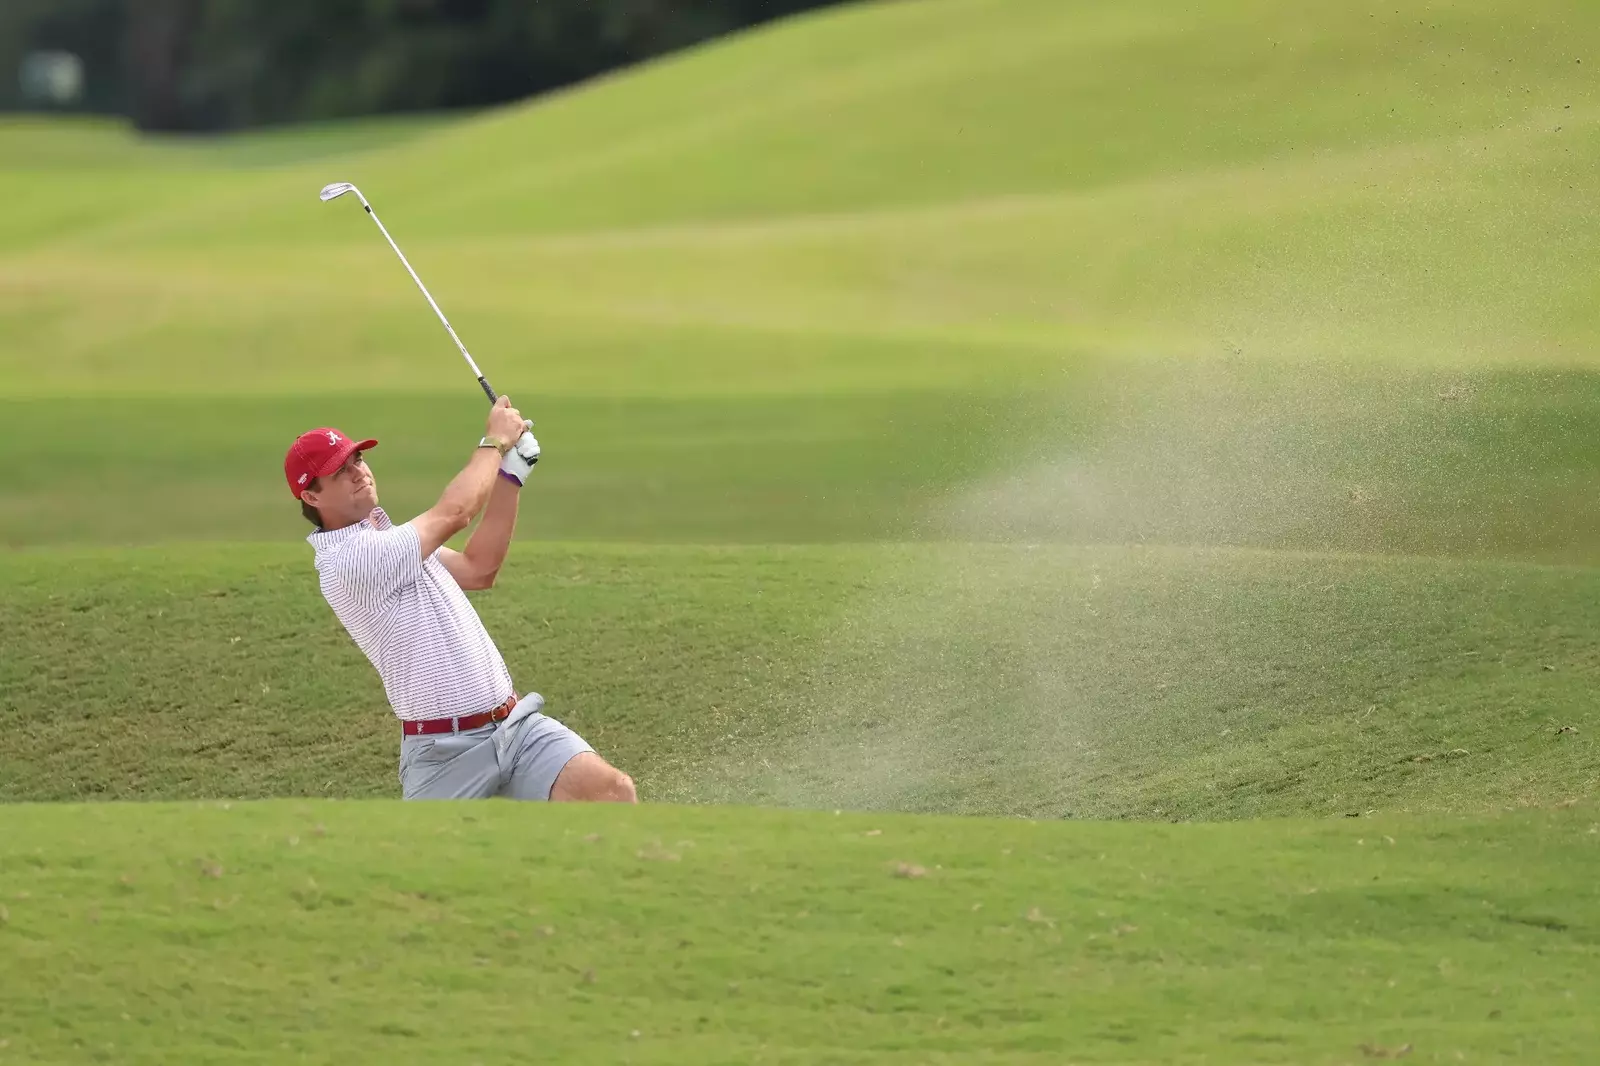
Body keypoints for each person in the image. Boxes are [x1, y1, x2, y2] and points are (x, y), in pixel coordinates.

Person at [282, 396, 636, 803]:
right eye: (339, 472)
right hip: (443, 755)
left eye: (357, 460)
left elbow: (478, 567)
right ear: (311, 497)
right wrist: (494, 442)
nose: (358, 473)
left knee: (612, 793)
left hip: (514, 728)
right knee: (440, 864)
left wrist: (510, 477)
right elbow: (455, 513)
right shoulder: (349, 562)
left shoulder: (386, 539)